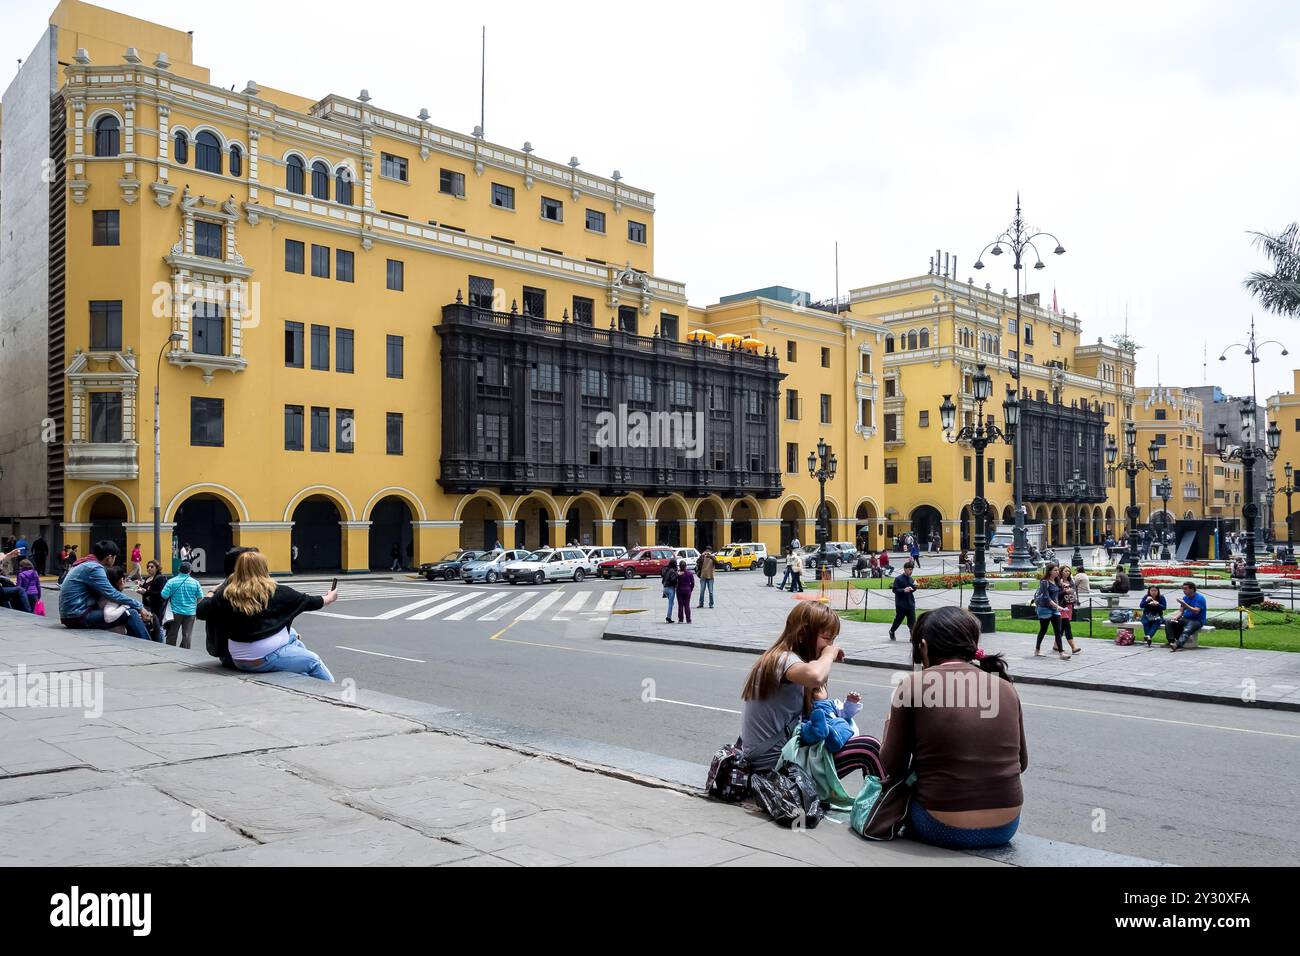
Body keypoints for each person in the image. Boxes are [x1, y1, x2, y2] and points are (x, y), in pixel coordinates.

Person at [880, 606, 1027, 850]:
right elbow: (1021, 763)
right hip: (1006, 826)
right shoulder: (1005, 687)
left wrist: (889, 722)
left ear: (924, 647)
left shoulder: (914, 686)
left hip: (940, 826)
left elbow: (890, 767)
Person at [739, 601, 881, 777]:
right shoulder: (783, 659)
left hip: (780, 758)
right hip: (774, 766)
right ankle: (888, 804)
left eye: (833, 640)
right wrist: (828, 655)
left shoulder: (786, 659)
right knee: (868, 748)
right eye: (827, 638)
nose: (830, 646)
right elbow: (815, 677)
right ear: (802, 634)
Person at [197, 551, 336, 680]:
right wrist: (330, 596)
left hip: (238, 659)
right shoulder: (278, 592)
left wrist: (212, 591)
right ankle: (335, 694)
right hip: (263, 659)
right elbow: (314, 602)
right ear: (264, 568)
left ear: (238, 569)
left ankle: (303, 677)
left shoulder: (227, 594)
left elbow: (201, 610)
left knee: (293, 636)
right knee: (314, 662)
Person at [58, 540, 153, 641]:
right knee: (131, 613)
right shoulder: (94, 568)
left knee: (126, 613)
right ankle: (148, 646)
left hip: (70, 614)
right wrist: (139, 606)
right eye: (115, 557)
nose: (114, 561)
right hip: (78, 615)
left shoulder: (85, 563)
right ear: (109, 557)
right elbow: (112, 593)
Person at [161, 560, 204, 649]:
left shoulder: (171, 581)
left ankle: (170, 651)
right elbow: (200, 597)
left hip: (175, 612)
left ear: (179, 570)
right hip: (190, 613)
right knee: (187, 635)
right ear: (190, 571)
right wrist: (194, 605)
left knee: (172, 634)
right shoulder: (195, 582)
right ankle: (185, 652)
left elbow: (164, 595)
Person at [1033, 563, 1066, 658]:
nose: (1057, 572)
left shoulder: (1057, 581)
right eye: (1055, 570)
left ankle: (1061, 653)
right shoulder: (1044, 582)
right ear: (1050, 571)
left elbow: (1058, 595)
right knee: (1043, 630)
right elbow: (1046, 597)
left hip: (1054, 609)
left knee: (1058, 631)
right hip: (1044, 609)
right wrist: (1057, 606)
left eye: (1058, 570)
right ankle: (1037, 650)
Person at [1165, 581, 1207, 652]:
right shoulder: (1185, 598)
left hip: (1196, 621)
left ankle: (1177, 645)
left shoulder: (1200, 598)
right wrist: (1176, 618)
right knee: (1168, 621)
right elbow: (1181, 611)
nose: (1183, 591)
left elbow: (1196, 611)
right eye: (1183, 589)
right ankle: (1171, 642)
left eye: (1185, 589)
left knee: (1186, 630)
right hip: (1185, 618)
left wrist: (1184, 604)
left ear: (1192, 589)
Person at [889, 560, 917, 641]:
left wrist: (914, 587)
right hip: (901, 604)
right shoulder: (898, 579)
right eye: (909, 569)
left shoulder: (911, 579)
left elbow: (912, 590)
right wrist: (903, 590)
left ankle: (912, 636)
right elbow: (894, 590)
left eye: (912, 569)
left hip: (910, 603)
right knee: (898, 620)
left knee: (912, 621)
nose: (911, 571)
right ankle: (892, 631)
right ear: (905, 569)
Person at [1058, 567, 1082, 656]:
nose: (1067, 572)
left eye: (1069, 571)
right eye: (1065, 571)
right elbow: (1056, 596)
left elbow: (1075, 594)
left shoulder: (1071, 582)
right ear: (1061, 572)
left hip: (1069, 606)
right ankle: (1073, 647)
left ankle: (1056, 645)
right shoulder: (1058, 583)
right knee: (1067, 626)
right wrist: (1065, 592)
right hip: (1061, 607)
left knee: (1063, 626)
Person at [675, 559, 696, 623]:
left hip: (680, 590)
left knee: (680, 605)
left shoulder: (678, 574)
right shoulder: (689, 573)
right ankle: (688, 619)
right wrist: (690, 589)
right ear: (686, 566)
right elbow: (693, 583)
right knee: (687, 605)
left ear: (680, 567)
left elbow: (675, 581)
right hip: (687, 590)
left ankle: (681, 619)